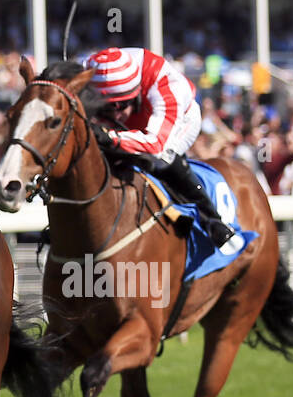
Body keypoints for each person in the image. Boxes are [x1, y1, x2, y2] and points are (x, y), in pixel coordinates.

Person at [83, 46, 235, 247]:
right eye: (104, 108)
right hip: (135, 119)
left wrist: (111, 137)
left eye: (119, 106)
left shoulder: (166, 85)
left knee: (162, 159)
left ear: (135, 94)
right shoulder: (91, 72)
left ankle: (212, 219)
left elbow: (155, 144)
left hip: (180, 121)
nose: (114, 115)